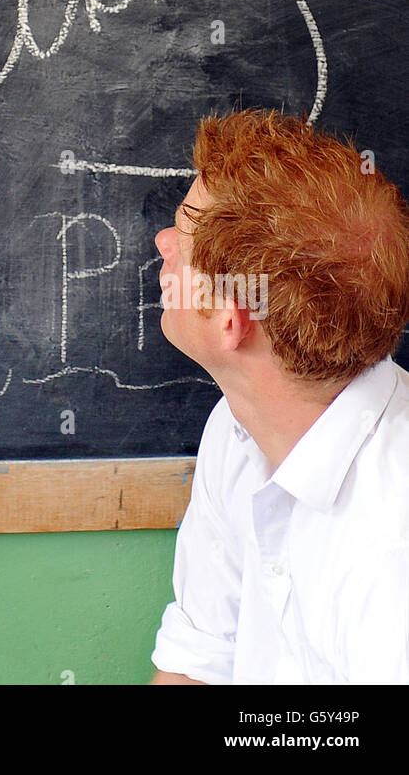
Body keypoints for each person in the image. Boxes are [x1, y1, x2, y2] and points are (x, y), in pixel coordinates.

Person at [150, 108, 409, 685]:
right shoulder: (237, 429)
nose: (164, 240)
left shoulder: (394, 551)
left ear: (230, 321)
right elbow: (201, 656)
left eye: (184, 232)